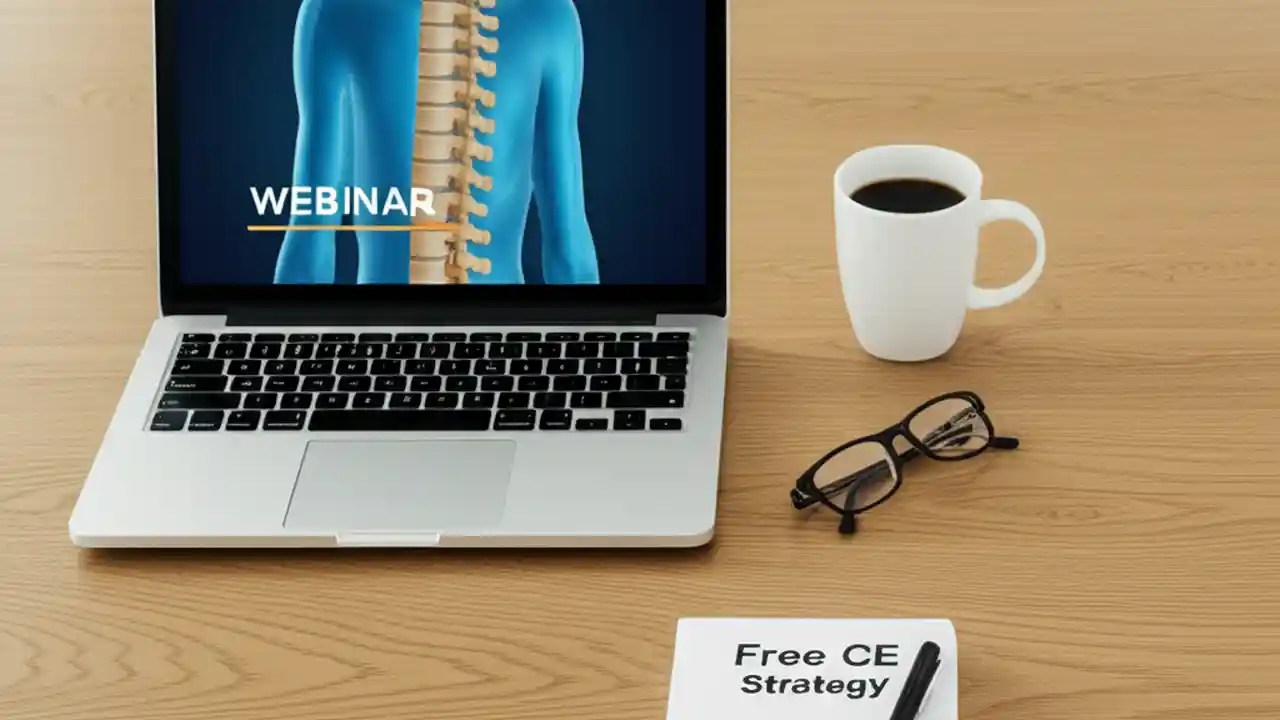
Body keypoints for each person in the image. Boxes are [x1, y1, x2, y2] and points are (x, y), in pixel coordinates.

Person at [274, 0, 599, 285]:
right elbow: (569, 257)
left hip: (383, 337)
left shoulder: (335, 10)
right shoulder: (548, 14)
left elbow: (310, 245)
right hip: (498, 335)